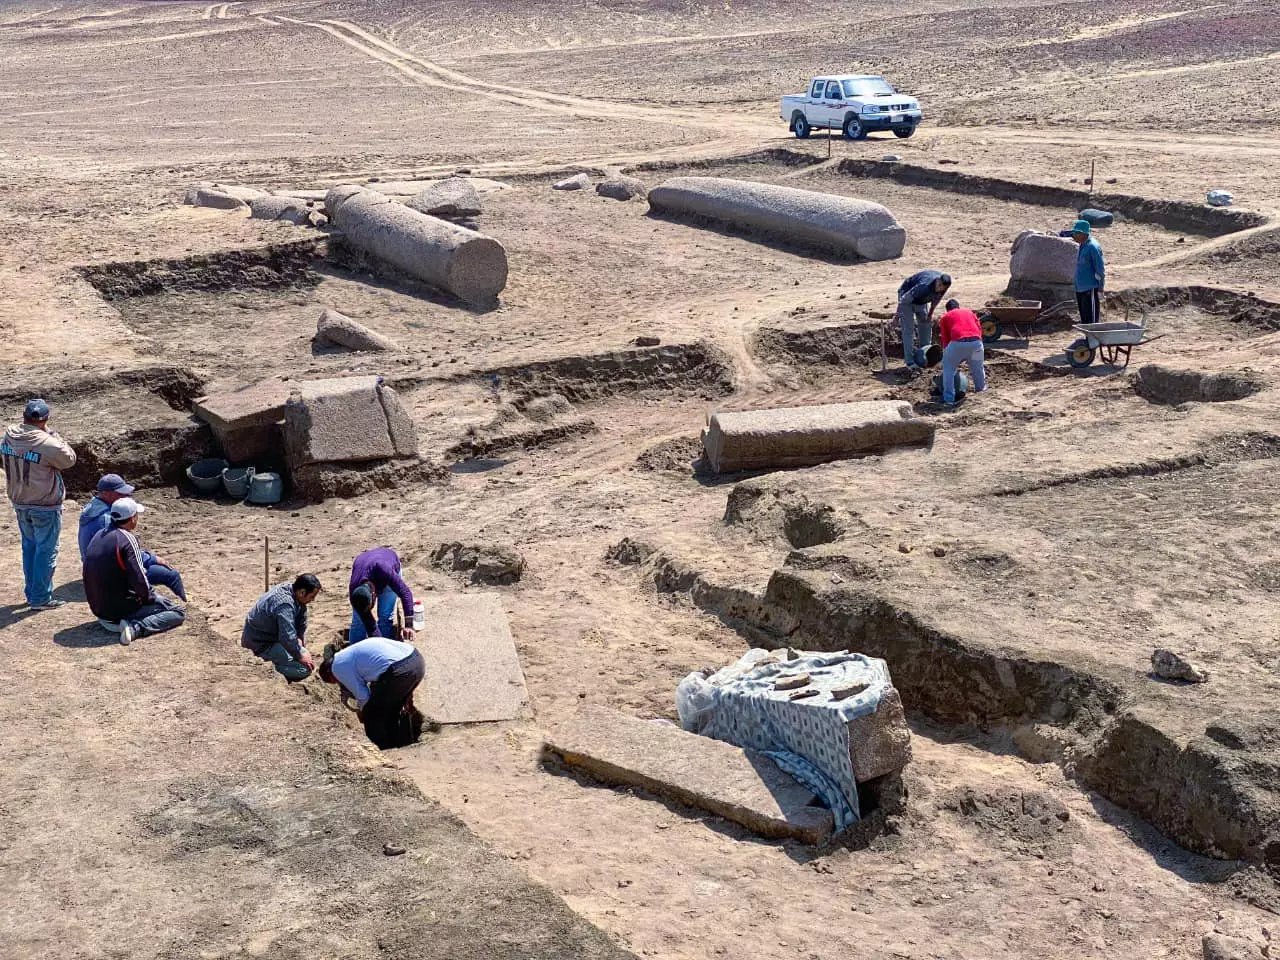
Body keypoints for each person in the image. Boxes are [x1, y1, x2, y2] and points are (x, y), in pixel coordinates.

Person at [3, 399, 76, 610]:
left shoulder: (9, 435)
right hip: (43, 504)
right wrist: (53, 435)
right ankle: (41, 598)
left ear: (24, 417)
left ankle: (32, 593)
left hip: (19, 501)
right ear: (44, 420)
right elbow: (69, 459)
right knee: (46, 550)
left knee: (30, 547)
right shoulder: (46, 442)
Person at [83, 498, 186, 645]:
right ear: (132, 519)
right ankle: (135, 628)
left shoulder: (99, 534)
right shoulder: (127, 539)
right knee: (177, 612)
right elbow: (139, 578)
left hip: (100, 611)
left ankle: (125, 620)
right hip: (117, 611)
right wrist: (151, 599)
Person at [78, 473, 187, 601]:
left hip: (94, 566)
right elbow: (125, 553)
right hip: (108, 572)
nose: (125, 496)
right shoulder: (106, 520)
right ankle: (184, 602)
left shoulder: (92, 508)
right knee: (171, 574)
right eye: (120, 494)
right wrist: (153, 558)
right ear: (106, 494)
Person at [320, 634, 425, 750]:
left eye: (335, 681)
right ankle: (401, 743)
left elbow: (363, 696)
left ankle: (381, 749)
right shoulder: (348, 655)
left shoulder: (337, 667)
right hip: (416, 660)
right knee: (393, 708)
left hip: (399, 671)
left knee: (371, 713)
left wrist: (361, 710)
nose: (340, 683)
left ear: (330, 675)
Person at [241, 574, 322, 681]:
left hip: (273, 638)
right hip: (260, 644)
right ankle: (263, 668)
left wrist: (300, 644)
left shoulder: (294, 593)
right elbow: (287, 636)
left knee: (301, 655)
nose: (313, 600)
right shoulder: (284, 604)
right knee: (304, 670)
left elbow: (300, 624)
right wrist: (300, 655)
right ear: (302, 592)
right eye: (311, 596)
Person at [348, 547, 416, 643]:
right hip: (364, 561)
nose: (368, 612)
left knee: (385, 616)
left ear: (373, 595)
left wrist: (409, 625)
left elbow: (405, 593)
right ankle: (354, 652)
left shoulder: (384, 570)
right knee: (358, 622)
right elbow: (370, 626)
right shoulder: (355, 595)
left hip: (387, 562)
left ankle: (387, 647)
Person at [896, 271, 952, 370]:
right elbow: (904, 300)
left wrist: (930, 313)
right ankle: (909, 362)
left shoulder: (944, 286)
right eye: (938, 285)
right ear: (937, 280)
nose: (938, 288)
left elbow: (937, 298)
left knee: (926, 326)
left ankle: (925, 355)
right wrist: (896, 317)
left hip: (922, 300)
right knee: (908, 329)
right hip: (906, 297)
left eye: (941, 288)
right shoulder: (924, 286)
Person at [937, 299, 987, 407]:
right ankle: (981, 391)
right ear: (958, 307)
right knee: (978, 368)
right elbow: (979, 329)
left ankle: (949, 399)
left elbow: (945, 338)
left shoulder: (946, 317)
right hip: (977, 343)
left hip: (957, 343)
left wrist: (950, 354)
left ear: (947, 310)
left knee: (948, 369)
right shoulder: (970, 313)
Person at [1071, 219, 1105, 326]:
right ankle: (1087, 339)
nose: (1074, 235)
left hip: (1089, 289)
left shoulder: (1092, 247)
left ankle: (1093, 340)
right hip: (1080, 288)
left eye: (1076, 233)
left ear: (1084, 234)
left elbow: (1100, 270)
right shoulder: (1082, 245)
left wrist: (1100, 288)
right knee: (1084, 317)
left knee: (1091, 319)